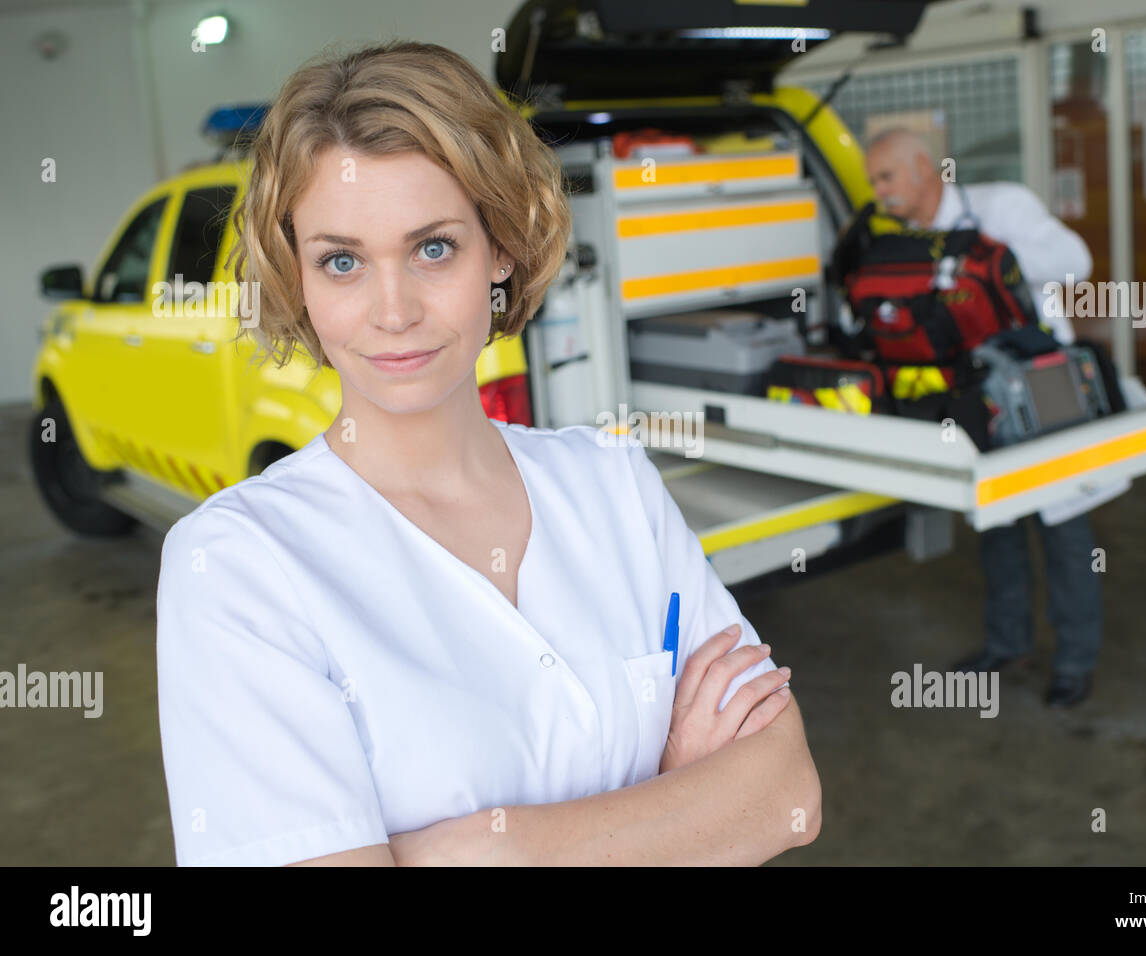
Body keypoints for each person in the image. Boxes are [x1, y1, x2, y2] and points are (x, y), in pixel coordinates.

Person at [155, 40, 819, 867]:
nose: (392, 311)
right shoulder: (239, 566)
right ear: (298, 278)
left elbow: (786, 795)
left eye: (434, 247)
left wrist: (478, 852)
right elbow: (734, 811)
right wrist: (672, 797)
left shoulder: (612, 484)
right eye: (342, 261)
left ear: (499, 249)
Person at [863, 127, 1100, 708]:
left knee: (1064, 526)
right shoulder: (909, 236)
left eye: (886, 178)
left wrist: (987, 256)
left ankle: (1074, 662)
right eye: (874, 182)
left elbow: (1078, 262)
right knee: (997, 518)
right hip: (975, 390)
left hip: (1041, 379)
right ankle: (1007, 642)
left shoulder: (1000, 207)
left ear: (923, 169)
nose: (879, 193)